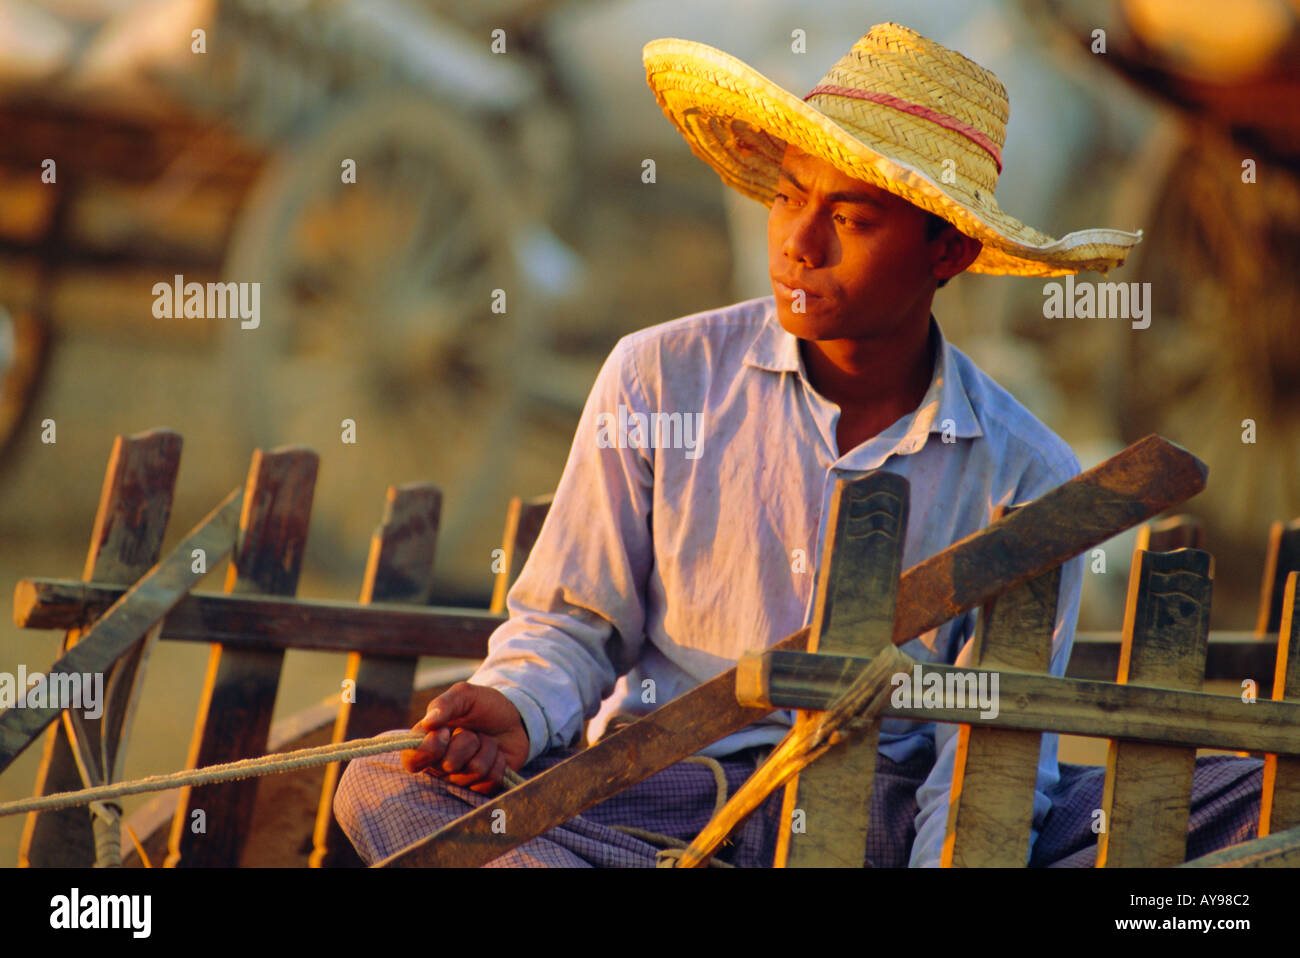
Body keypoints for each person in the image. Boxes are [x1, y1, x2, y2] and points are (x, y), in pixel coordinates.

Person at [334, 23, 1260, 867]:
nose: (797, 245)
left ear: (948, 254)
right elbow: (572, 626)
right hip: (660, 798)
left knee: (1246, 793)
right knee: (383, 787)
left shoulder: (1028, 472)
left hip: (882, 827)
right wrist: (517, 709)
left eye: (851, 220)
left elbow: (986, 753)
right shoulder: (659, 377)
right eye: (786, 199)